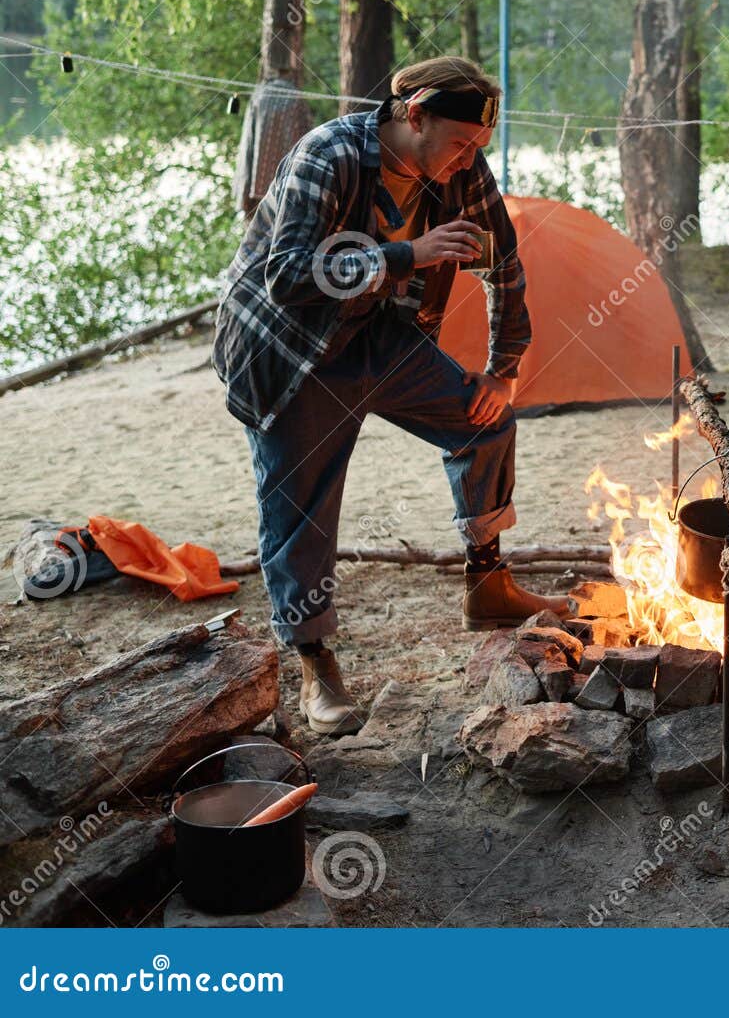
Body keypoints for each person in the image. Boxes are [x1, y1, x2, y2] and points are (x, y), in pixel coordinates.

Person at [213, 55, 564, 736]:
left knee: (484, 422)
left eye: (478, 149)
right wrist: (407, 255)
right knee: (303, 506)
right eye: (460, 144)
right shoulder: (328, 156)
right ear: (414, 115)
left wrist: (504, 366)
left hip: (381, 333)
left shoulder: (461, 168)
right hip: (290, 347)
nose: (469, 163)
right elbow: (287, 275)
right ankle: (316, 663)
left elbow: (505, 263)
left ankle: (488, 587)